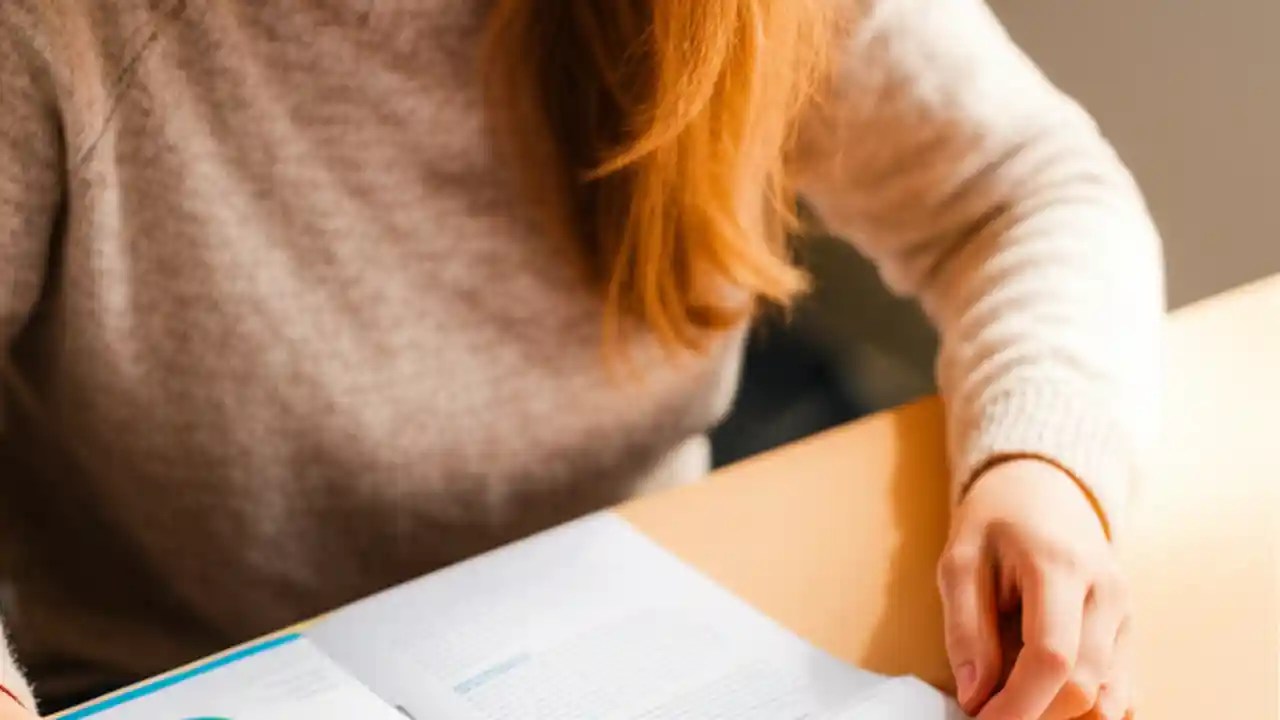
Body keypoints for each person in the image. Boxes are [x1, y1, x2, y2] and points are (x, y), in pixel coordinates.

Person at [0, 0, 1162, 718]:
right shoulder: (63, 35)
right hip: (165, 678)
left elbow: (1028, 192)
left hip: (646, 646)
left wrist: (1040, 465)